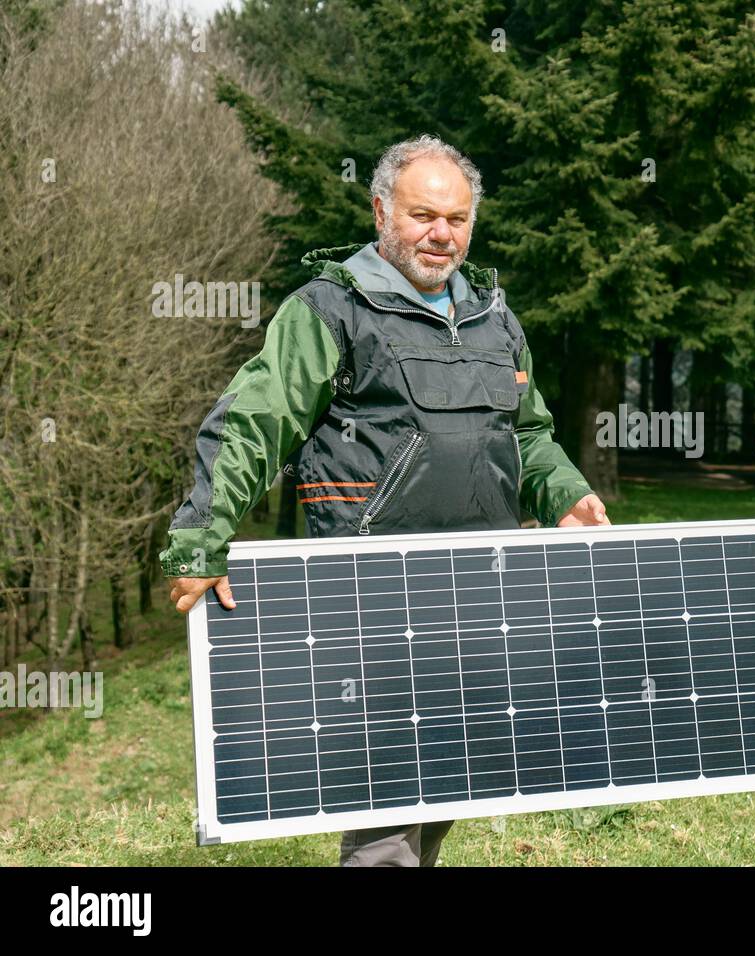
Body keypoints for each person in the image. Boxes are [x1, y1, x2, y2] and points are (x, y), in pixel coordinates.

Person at [160, 134, 609, 866]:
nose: (442, 234)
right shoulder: (329, 311)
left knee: (453, 785)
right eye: (423, 214)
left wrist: (566, 492)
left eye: (457, 219)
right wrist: (198, 540)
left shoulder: (497, 319)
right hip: (370, 602)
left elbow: (527, 433)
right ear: (380, 212)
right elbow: (251, 425)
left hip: (479, 597)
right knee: (386, 816)